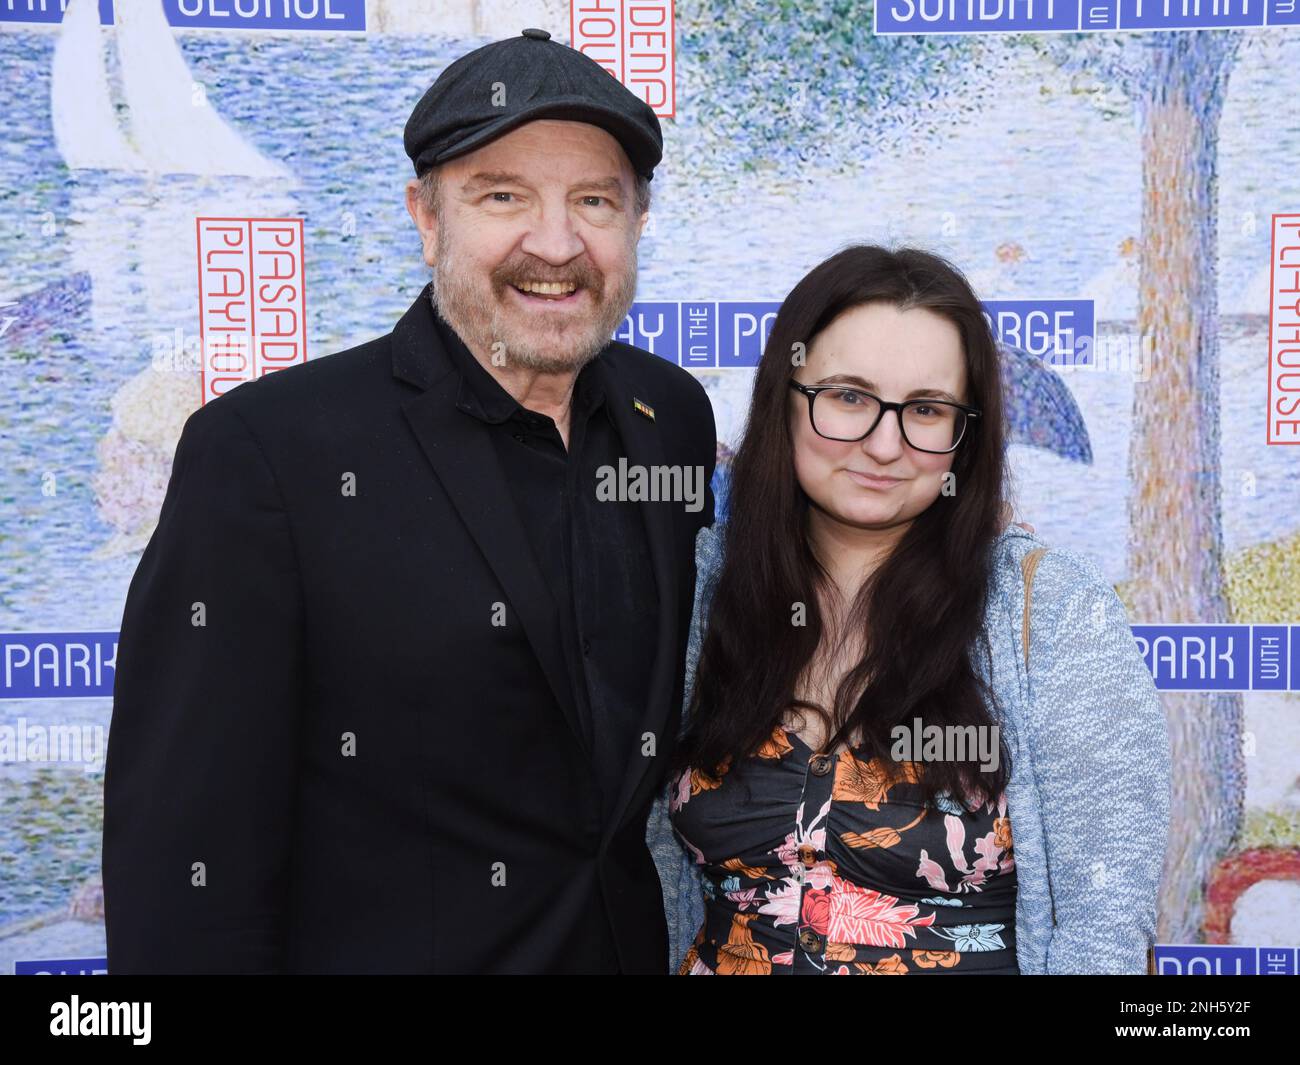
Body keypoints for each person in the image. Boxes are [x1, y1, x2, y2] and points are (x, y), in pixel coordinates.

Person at [102, 28, 716, 974]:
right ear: (426, 220)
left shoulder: (667, 418)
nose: (556, 243)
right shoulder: (268, 454)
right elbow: (183, 868)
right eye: (502, 195)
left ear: (636, 222)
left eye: (594, 200)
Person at [646, 244, 1170, 975]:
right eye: (849, 397)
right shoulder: (704, 588)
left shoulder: (1048, 610)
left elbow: (1104, 924)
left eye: (925, 409)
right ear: (784, 398)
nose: (883, 444)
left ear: (968, 433)